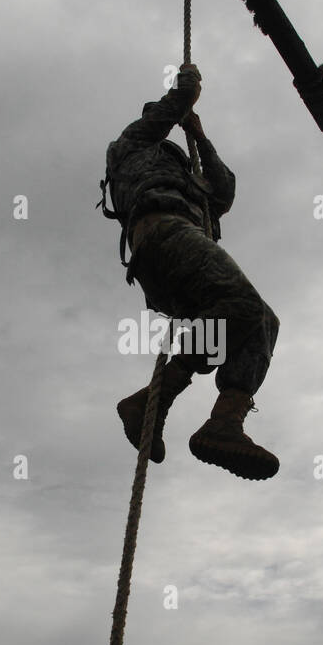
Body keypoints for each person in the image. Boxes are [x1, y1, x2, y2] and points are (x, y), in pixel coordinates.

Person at [101, 63, 280, 480]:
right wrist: (187, 88)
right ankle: (158, 401)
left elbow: (225, 189)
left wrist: (199, 135)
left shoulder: (192, 184)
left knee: (258, 321)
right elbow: (170, 107)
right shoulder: (131, 145)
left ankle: (220, 420)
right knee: (242, 305)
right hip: (162, 234)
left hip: (176, 258)